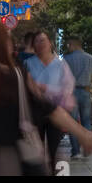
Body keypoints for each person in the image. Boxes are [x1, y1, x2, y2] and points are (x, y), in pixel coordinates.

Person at [0, 22, 92, 176]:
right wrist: (83, 135)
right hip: (9, 158)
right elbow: (50, 109)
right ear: (1, 45)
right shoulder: (16, 76)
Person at [26, 31, 75, 168]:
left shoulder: (60, 63)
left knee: (54, 146)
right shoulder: (28, 63)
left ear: (50, 43)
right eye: (37, 41)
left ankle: (52, 168)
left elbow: (68, 87)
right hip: (35, 111)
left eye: (43, 40)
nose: (40, 44)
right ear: (33, 45)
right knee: (37, 146)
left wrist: (45, 88)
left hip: (56, 110)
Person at [63, 32, 92, 157]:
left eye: (69, 45)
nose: (68, 47)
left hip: (71, 92)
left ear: (72, 45)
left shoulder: (66, 59)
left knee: (72, 122)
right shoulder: (91, 58)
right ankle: (87, 148)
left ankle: (75, 151)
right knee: (86, 121)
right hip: (85, 91)